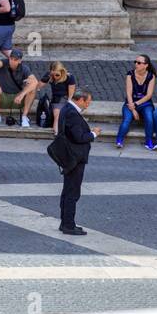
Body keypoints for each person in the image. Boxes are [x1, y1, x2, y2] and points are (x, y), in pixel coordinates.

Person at [56, 89, 100, 236]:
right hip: (74, 158)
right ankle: (68, 225)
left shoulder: (66, 109)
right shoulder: (72, 114)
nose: (88, 104)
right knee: (72, 193)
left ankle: (66, 222)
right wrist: (93, 134)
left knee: (67, 191)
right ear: (80, 99)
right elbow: (79, 137)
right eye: (87, 101)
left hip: (70, 157)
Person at [117, 55, 157, 150]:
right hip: (130, 102)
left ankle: (148, 141)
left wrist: (135, 105)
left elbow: (149, 95)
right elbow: (129, 92)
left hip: (145, 104)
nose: (136, 64)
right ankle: (119, 140)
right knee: (127, 119)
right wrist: (133, 109)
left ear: (146, 65)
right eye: (135, 62)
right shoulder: (130, 74)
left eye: (139, 63)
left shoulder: (151, 76)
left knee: (149, 118)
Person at [0, 48, 38, 128]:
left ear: (19, 61)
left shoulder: (24, 68)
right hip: (3, 96)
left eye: (15, 59)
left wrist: (22, 95)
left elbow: (35, 82)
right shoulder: (5, 63)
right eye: (11, 59)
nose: (12, 61)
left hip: (18, 99)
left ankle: (24, 117)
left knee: (32, 89)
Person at [40, 61, 77, 133]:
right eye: (53, 75)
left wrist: (69, 105)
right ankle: (57, 134)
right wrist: (46, 78)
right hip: (56, 100)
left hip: (66, 99)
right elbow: (38, 86)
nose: (55, 77)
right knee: (57, 115)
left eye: (57, 75)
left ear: (62, 72)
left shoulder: (69, 77)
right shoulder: (50, 76)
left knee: (62, 115)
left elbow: (71, 94)